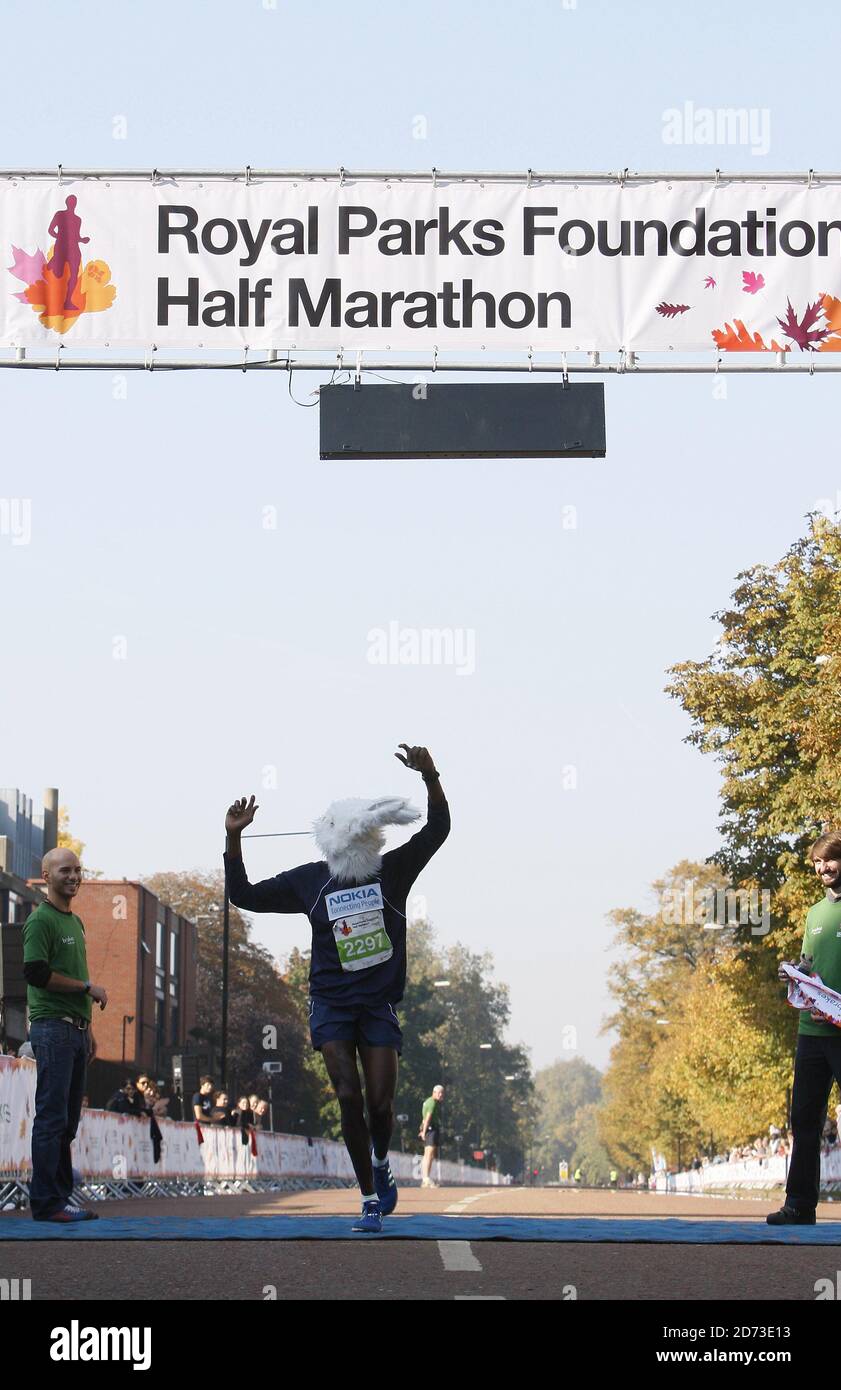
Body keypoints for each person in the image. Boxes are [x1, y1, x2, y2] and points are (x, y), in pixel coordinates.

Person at [224, 742, 450, 1234]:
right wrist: (234, 838)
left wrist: (430, 776)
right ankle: (369, 1196)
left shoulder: (393, 871)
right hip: (330, 1003)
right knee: (348, 1094)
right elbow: (242, 894)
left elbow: (437, 831)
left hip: (377, 1005)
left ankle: (381, 1159)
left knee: (380, 1105)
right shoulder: (311, 882)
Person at [22, 847, 108, 1222]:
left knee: (68, 1121)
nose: (73, 876)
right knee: (52, 1118)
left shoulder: (76, 922)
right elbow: (35, 973)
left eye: (77, 870)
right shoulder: (41, 921)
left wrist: (86, 1029)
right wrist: (86, 988)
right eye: (64, 871)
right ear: (46, 876)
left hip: (73, 1031)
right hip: (52, 1028)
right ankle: (46, 1203)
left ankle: (60, 1198)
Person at [768, 831, 841, 1225]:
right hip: (810, 1033)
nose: (822, 868)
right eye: (816, 863)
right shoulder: (814, 913)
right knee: (804, 1119)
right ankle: (799, 1205)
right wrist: (795, 973)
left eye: (829, 860)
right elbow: (809, 964)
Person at [419, 1084, 445, 1187]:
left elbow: (424, 1118)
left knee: (427, 1155)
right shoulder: (432, 1103)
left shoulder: (428, 1101)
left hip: (428, 1129)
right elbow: (428, 1118)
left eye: (442, 1093)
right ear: (434, 1092)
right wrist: (424, 1132)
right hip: (431, 1130)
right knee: (429, 1154)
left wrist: (422, 1129)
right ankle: (426, 1179)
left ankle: (425, 1179)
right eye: (439, 1093)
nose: (441, 1095)